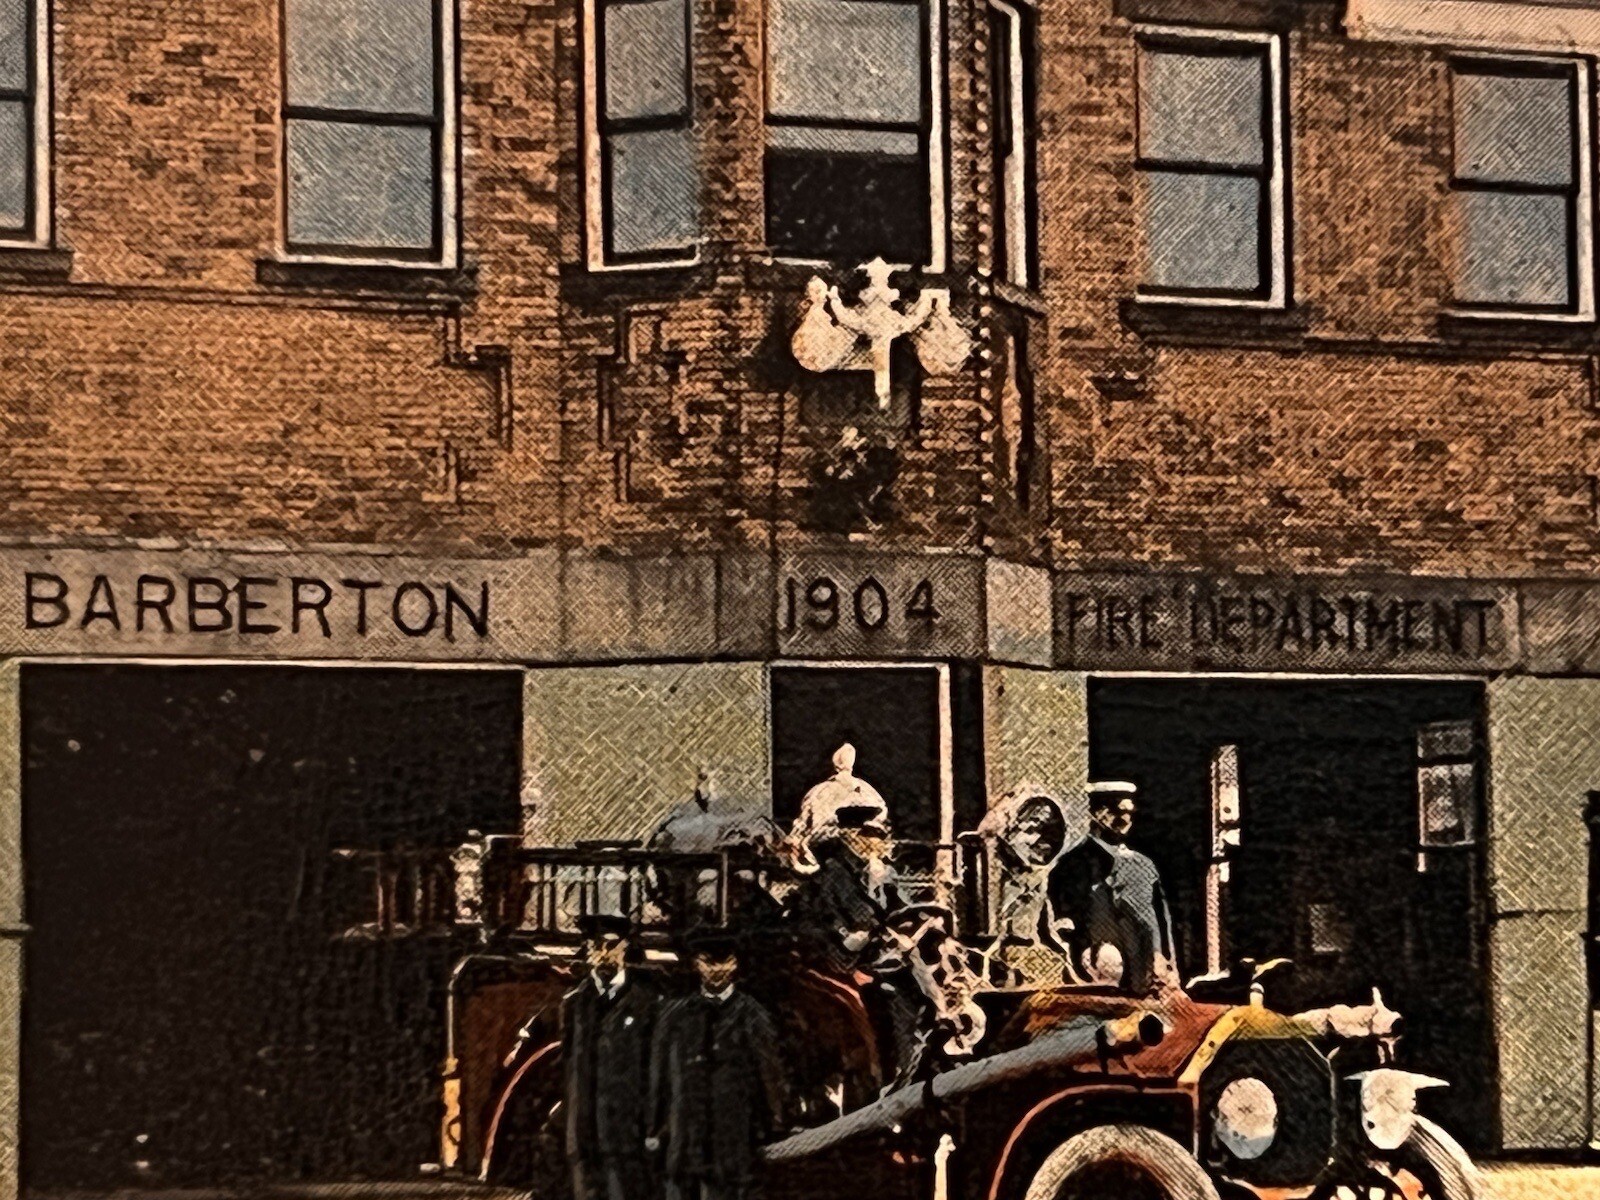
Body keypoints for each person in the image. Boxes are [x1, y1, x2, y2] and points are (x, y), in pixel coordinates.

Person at [648, 928, 788, 1200]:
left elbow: (770, 1073)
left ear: (735, 964)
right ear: (696, 964)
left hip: (732, 1133)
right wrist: (654, 1126)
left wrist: (776, 1122)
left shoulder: (752, 1014)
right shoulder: (675, 1016)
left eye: (724, 962)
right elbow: (658, 1073)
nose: (716, 970)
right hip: (684, 1134)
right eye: (708, 962)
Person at [1046, 781, 1178, 996]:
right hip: (1097, 977)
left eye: (1129, 812)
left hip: (1146, 978)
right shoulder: (1072, 865)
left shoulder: (1143, 865)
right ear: (1095, 812)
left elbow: (1161, 921)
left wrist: (1166, 961)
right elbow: (1061, 926)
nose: (1125, 819)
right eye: (1116, 811)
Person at [561, 915, 660, 1200]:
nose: (604, 954)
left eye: (611, 945)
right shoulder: (574, 1004)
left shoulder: (647, 1003)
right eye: (595, 947)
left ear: (625, 947)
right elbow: (569, 1067)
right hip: (583, 1135)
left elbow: (653, 1070)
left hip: (626, 1135)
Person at [975, 789, 1072, 983]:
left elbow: (1047, 930)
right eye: (1029, 831)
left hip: (1031, 954)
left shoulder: (1039, 879)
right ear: (1010, 832)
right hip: (996, 959)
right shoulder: (991, 872)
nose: (1038, 841)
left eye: (1046, 834)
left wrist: (1066, 958)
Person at [790, 743, 889, 853]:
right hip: (830, 847)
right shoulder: (867, 790)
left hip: (857, 845)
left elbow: (801, 825)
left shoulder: (818, 791)